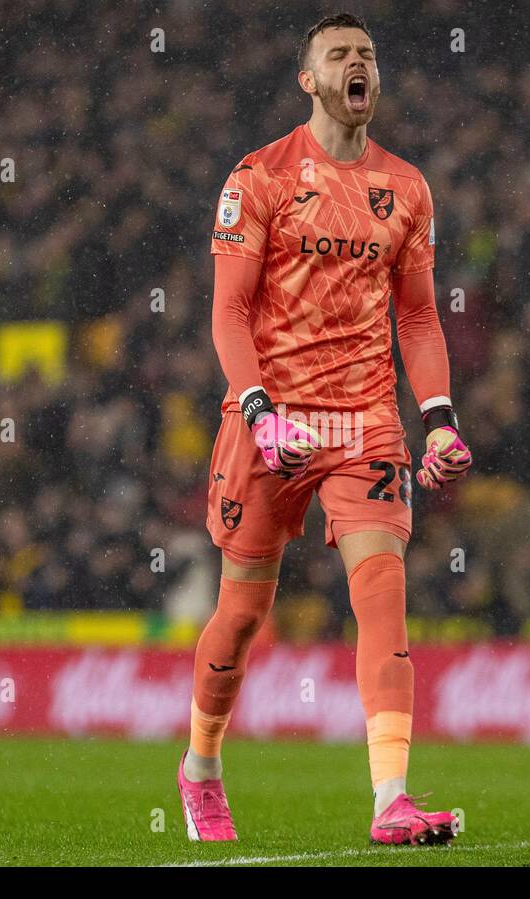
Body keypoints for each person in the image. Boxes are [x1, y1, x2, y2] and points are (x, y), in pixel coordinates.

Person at [177, 13, 472, 846]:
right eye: (340, 55)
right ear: (307, 79)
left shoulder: (408, 188)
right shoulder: (258, 177)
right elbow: (229, 313)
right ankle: (200, 767)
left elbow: (418, 319)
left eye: (368, 56)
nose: (358, 65)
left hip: (367, 423)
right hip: (269, 421)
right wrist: (260, 411)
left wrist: (440, 421)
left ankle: (391, 801)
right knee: (241, 612)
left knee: (382, 594)